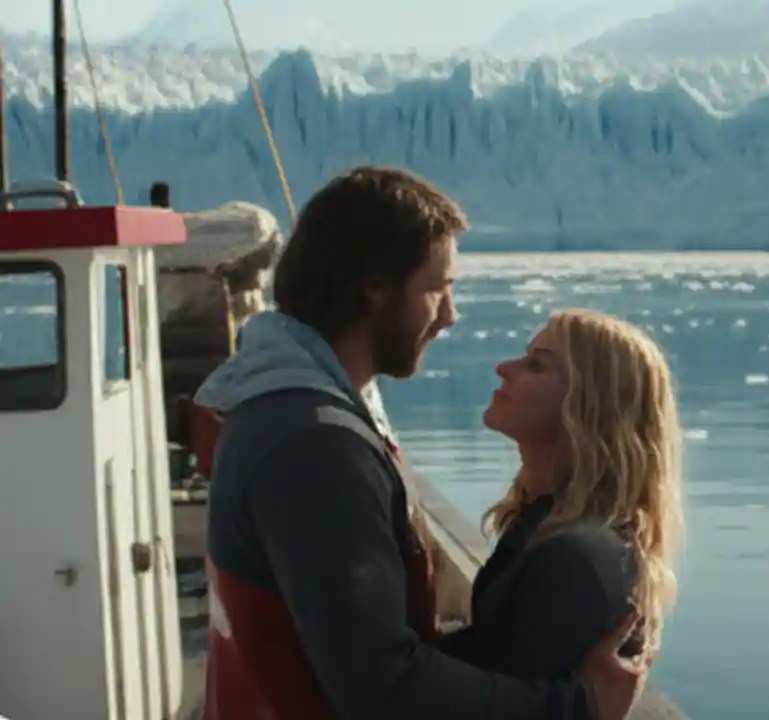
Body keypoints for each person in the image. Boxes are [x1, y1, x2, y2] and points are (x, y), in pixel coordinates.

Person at [193, 166, 647, 720]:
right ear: (374, 289)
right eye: (438, 289)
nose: (449, 316)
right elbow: (383, 690)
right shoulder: (313, 446)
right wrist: (576, 706)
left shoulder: (289, 414)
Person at [437, 309, 684, 680]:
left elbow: (516, 692)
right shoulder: (549, 524)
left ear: (588, 406)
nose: (504, 368)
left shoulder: (575, 558)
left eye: (536, 365)